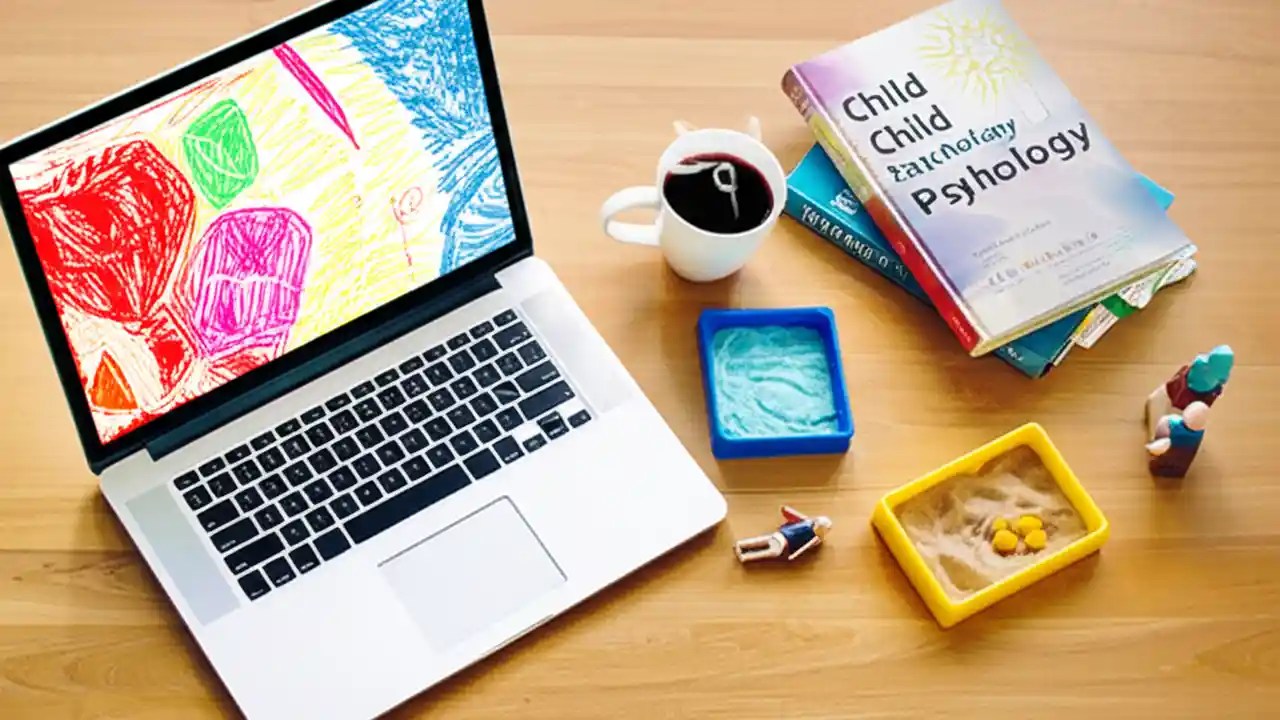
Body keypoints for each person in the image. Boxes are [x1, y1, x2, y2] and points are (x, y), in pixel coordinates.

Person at [734, 506, 832, 563]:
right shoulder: (814, 535)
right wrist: (794, 555)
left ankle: (741, 545)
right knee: (769, 550)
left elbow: (804, 547)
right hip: (783, 540)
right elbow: (805, 547)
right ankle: (745, 555)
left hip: (781, 535)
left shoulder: (808, 524)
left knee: (762, 542)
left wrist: (786, 510)